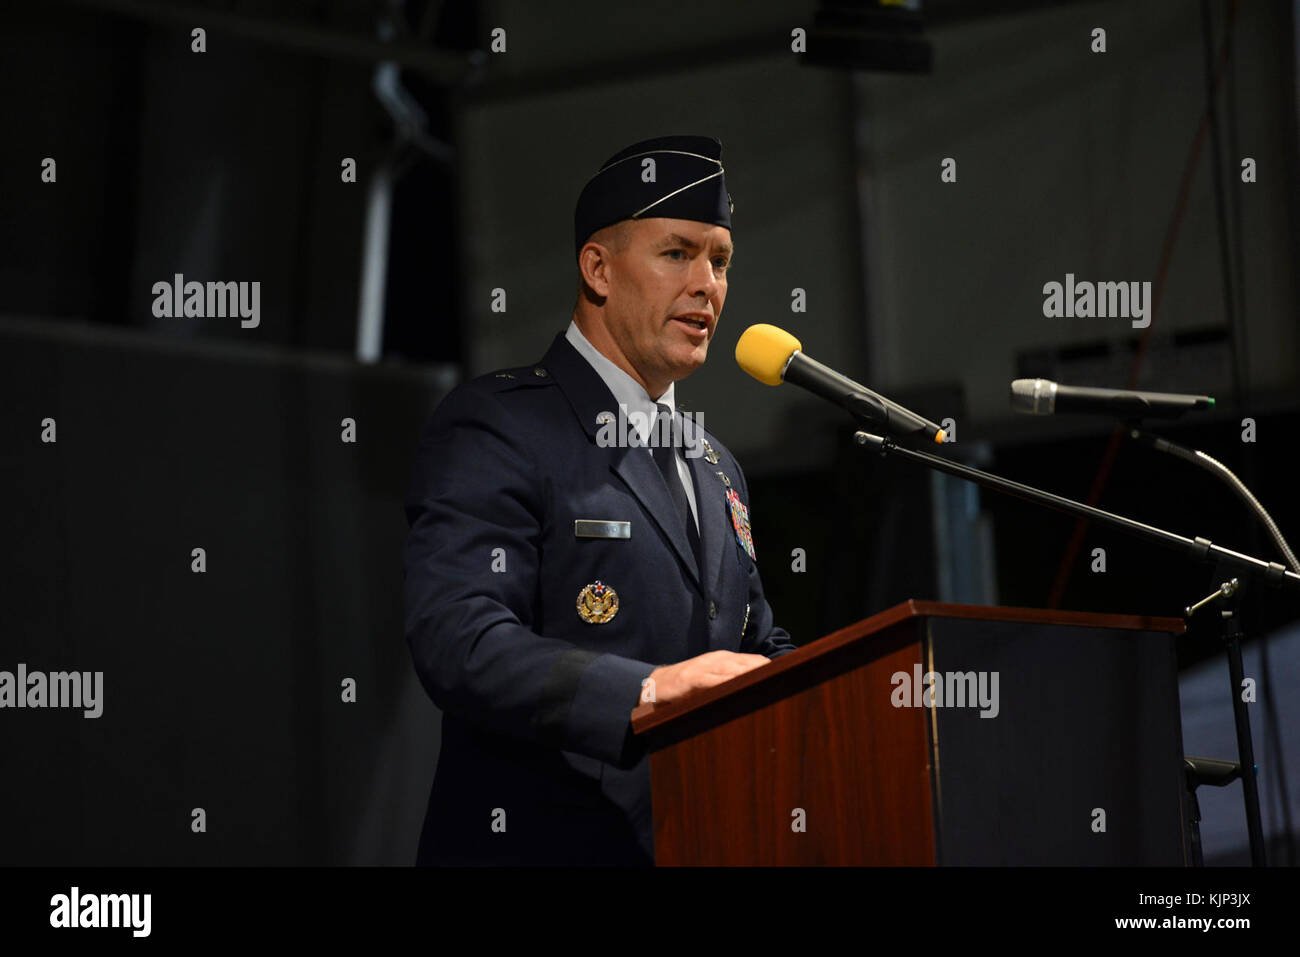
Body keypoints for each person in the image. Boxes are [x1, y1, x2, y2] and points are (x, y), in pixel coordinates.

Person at [402, 134, 796, 866]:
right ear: (598, 269)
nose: (707, 282)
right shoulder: (502, 424)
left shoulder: (717, 467)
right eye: (677, 253)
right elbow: (460, 638)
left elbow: (752, 642)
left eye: (721, 260)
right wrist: (648, 690)